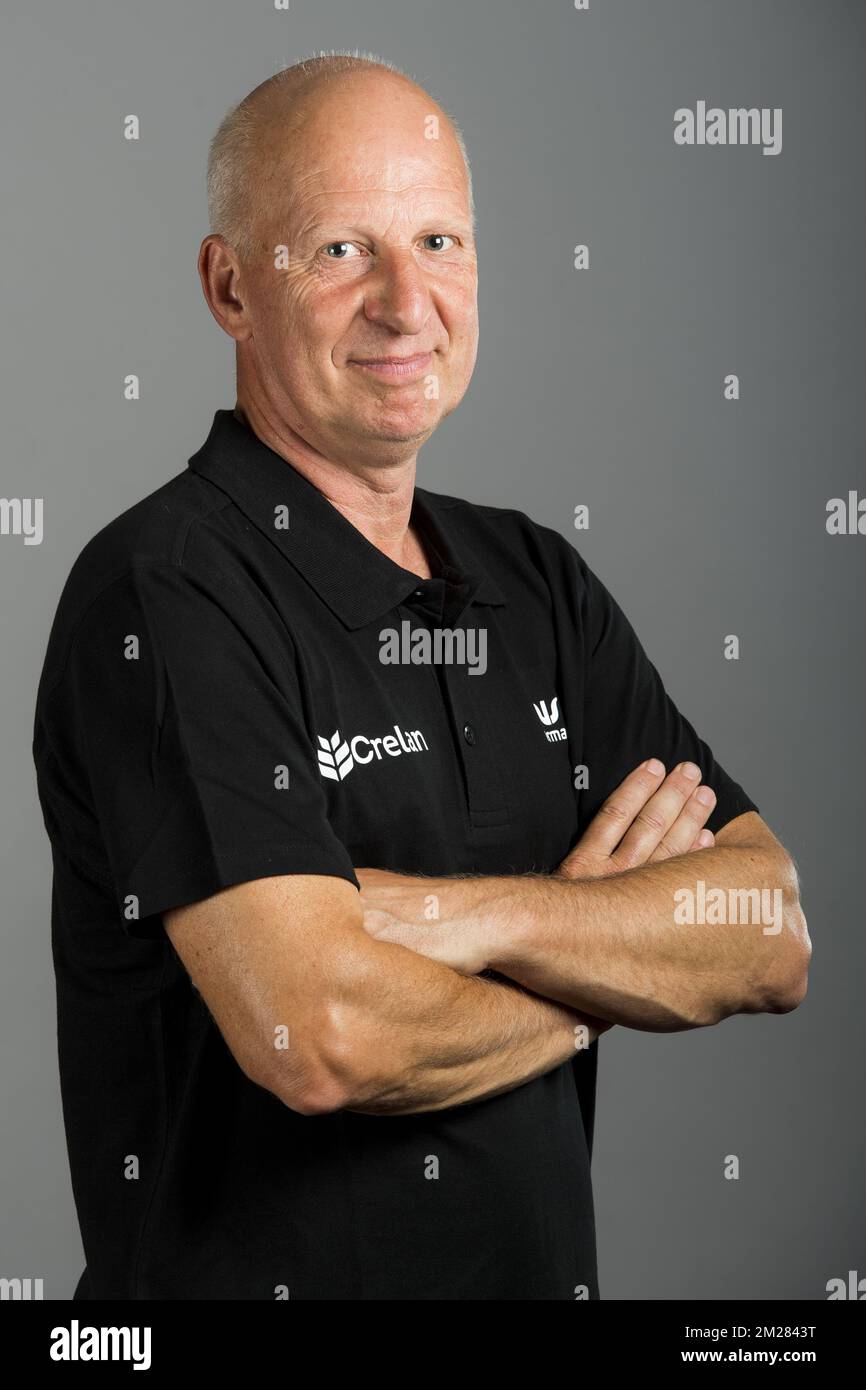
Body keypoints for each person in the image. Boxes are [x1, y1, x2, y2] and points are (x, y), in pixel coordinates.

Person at [32, 52, 810, 1300]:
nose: (407, 303)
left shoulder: (532, 579)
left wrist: (475, 915)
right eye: (340, 250)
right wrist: (599, 982)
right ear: (230, 286)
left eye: (439, 239)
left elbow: (766, 932)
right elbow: (320, 1035)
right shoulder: (165, 591)